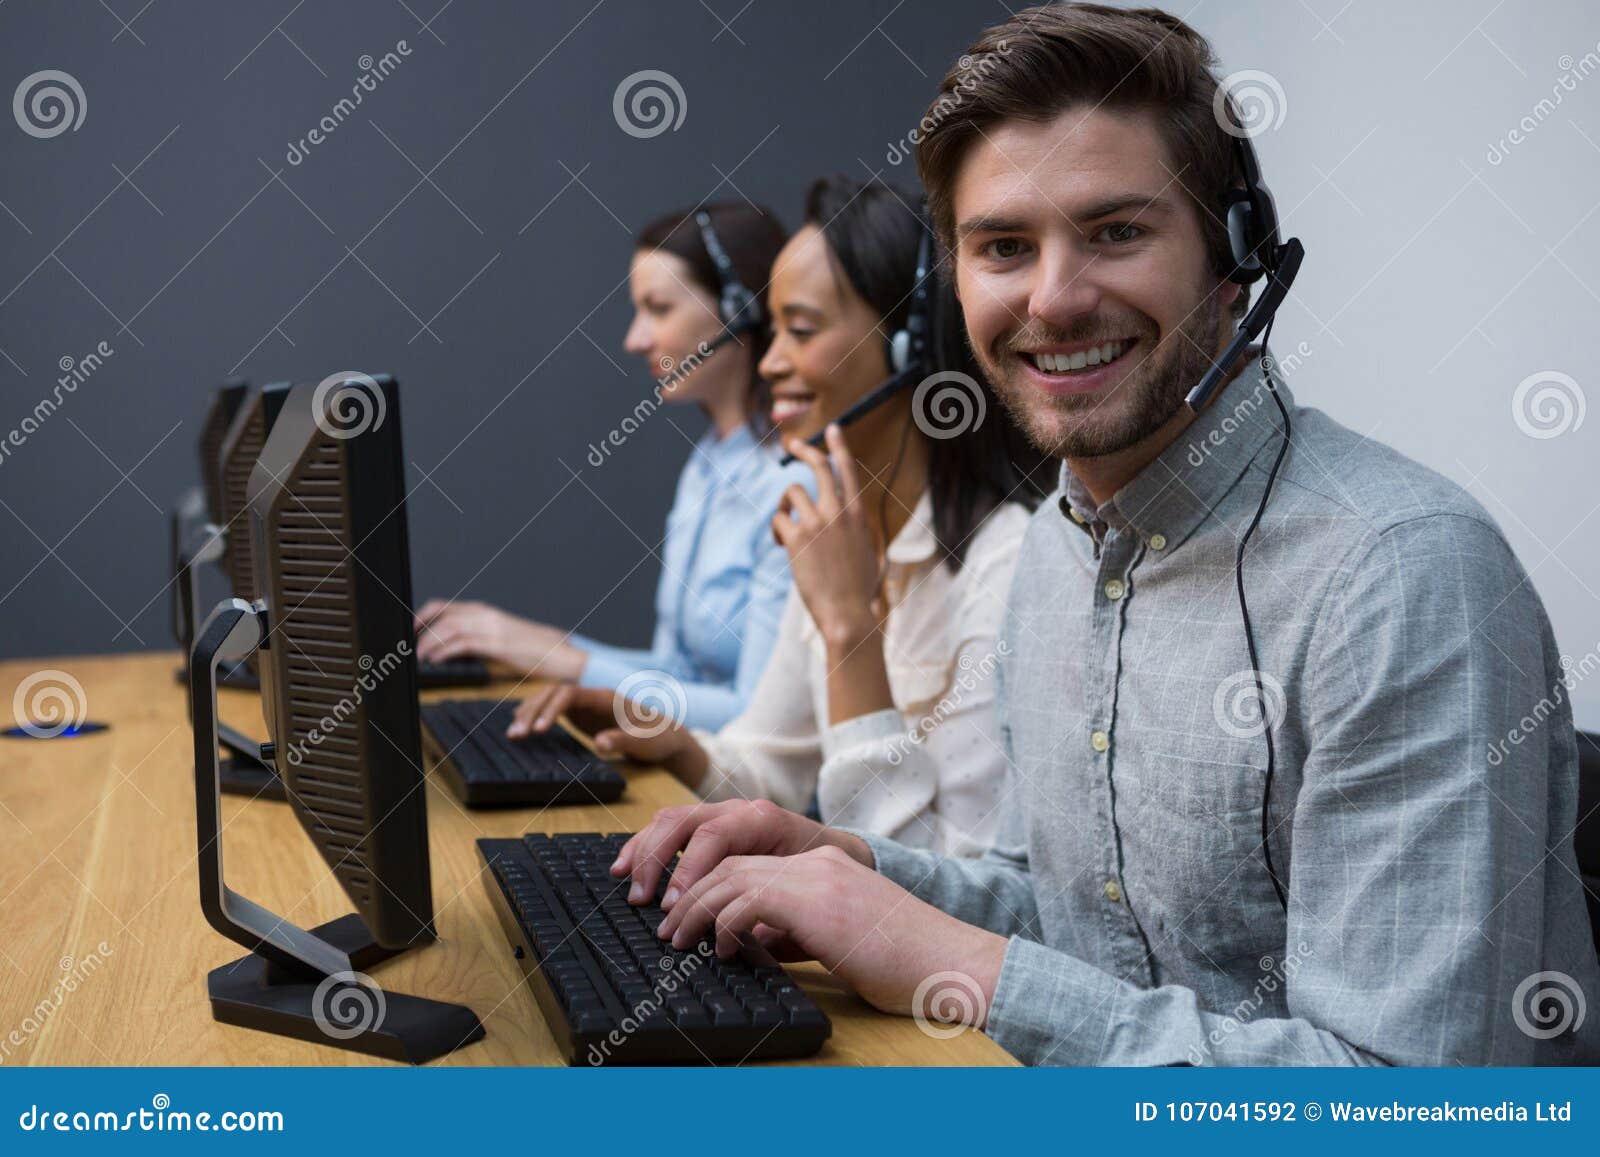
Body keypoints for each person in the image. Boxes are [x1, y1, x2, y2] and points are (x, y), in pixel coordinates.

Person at [600, 4, 1600, 1066]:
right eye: (1002, 247)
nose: (1055, 297)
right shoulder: (1056, 547)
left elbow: (1408, 1105)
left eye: (1117, 231)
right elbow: (1073, 919)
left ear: (1234, 253)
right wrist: (852, 868)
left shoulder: (1401, 578)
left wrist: (966, 966)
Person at [512, 176, 1050, 856]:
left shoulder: (1006, 564)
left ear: (909, 346)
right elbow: (773, 768)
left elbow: (942, 884)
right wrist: (677, 742)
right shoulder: (837, 529)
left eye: (800, 330)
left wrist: (849, 628)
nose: (769, 362)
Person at [415, 202, 798, 731]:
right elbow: (679, 674)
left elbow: (751, 719)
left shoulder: (794, 481)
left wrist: (568, 663)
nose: (635, 339)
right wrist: (527, 640)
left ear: (741, 310)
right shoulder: (710, 460)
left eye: (659, 308)